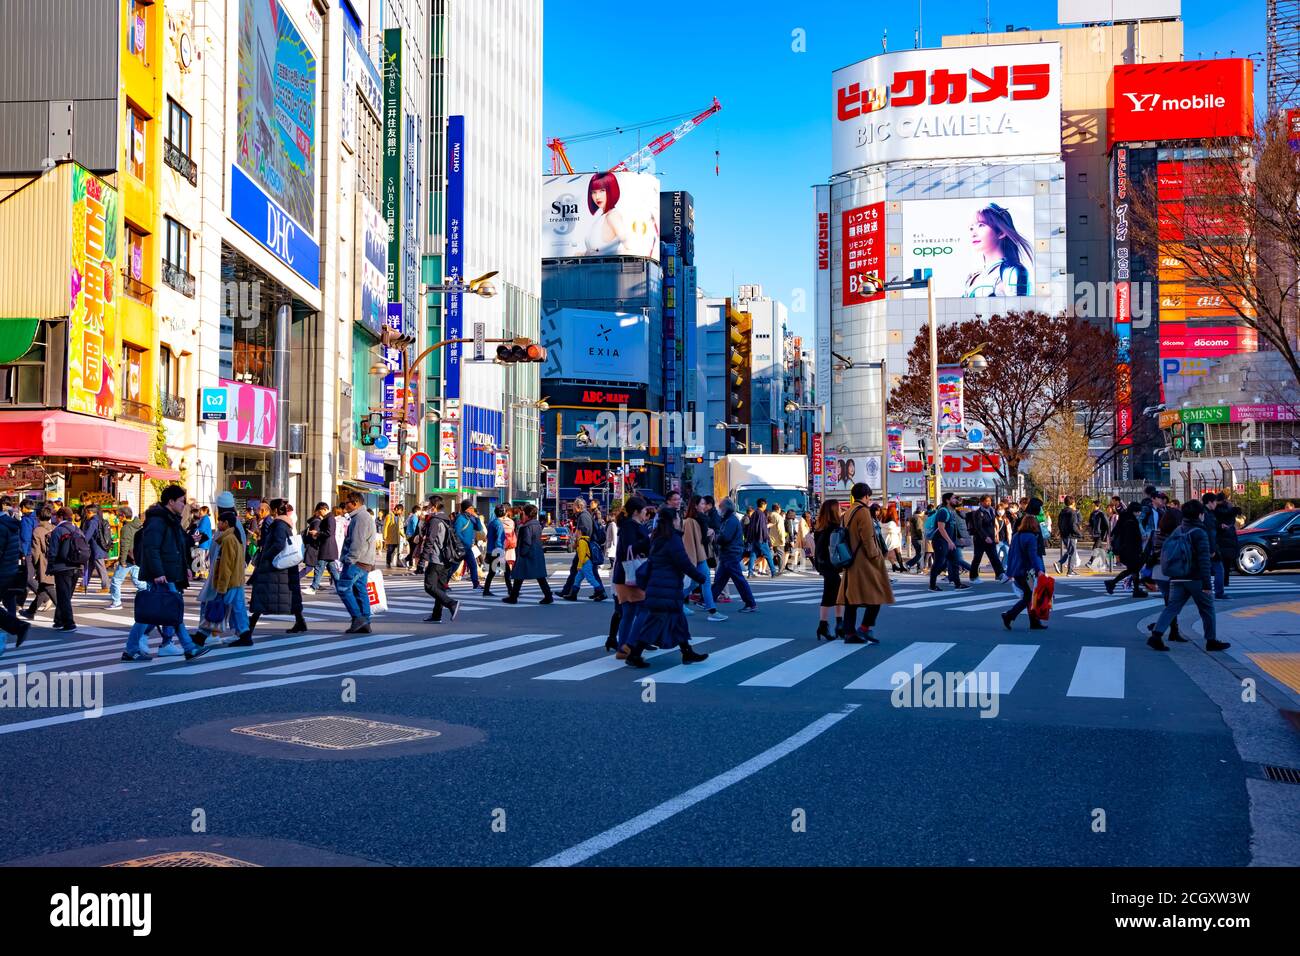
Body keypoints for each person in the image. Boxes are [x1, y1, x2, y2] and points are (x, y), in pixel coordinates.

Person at [121, 485, 211, 661]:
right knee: (167, 609)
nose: (184, 505)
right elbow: (151, 548)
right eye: (181, 501)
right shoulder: (158, 520)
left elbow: (176, 546)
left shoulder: (170, 519)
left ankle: (131, 649)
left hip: (169, 570)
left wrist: (185, 567)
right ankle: (188, 647)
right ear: (171, 501)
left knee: (155, 611)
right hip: (162, 573)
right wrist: (157, 572)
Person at [621, 505, 710, 669]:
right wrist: (700, 577)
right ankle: (634, 654)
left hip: (660, 587)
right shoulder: (672, 539)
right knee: (655, 623)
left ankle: (687, 652)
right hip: (665, 589)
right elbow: (683, 562)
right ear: (673, 521)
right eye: (678, 518)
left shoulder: (658, 537)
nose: (680, 521)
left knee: (678, 621)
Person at [1147, 499, 1231, 653]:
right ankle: (1211, 641)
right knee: (1207, 609)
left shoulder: (1178, 530)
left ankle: (1156, 636)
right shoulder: (1200, 532)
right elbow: (1204, 560)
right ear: (1200, 515)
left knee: (1172, 607)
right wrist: (1207, 583)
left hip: (1177, 576)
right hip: (1195, 578)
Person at [837, 483, 893, 644]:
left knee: (851, 599)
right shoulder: (863, 512)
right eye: (870, 497)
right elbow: (868, 538)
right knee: (877, 593)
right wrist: (876, 557)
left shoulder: (848, 512)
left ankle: (849, 633)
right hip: (864, 561)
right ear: (867, 496)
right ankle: (864, 627)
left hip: (851, 560)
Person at [247, 499, 307, 640]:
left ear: (274, 510)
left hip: (276, 567)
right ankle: (300, 621)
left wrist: (267, 556)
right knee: (288, 595)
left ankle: (250, 626)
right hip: (285, 568)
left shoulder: (278, 524)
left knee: (262, 595)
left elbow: (279, 544)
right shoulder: (285, 523)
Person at [194, 511, 251, 646]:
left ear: (226, 523)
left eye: (220, 522)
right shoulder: (234, 537)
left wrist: (221, 586)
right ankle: (245, 635)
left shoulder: (228, 540)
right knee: (237, 608)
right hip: (236, 580)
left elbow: (226, 565)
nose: (218, 524)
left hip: (230, 582)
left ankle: (202, 636)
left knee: (217, 607)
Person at [608, 498, 652, 653]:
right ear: (636, 512)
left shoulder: (627, 526)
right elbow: (629, 550)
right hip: (632, 574)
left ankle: (623, 648)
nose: (647, 513)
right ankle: (630, 644)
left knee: (628, 612)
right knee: (645, 609)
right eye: (644, 510)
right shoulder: (631, 527)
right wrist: (648, 541)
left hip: (622, 575)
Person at [962, 203, 1033, 297]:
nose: (973, 234)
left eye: (981, 225)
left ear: (1001, 232)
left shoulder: (1012, 272)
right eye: (971, 228)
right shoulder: (972, 277)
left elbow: (1018, 310)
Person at [1144, 508, 1188, 645]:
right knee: (1174, 604)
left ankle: (1172, 631)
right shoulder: (1177, 535)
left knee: (1170, 602)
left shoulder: (1156, 533)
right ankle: (1159, 628)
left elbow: (1148, 551)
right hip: (1170, 571)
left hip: (1157, 572)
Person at [336, 492, 377, 633]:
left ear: (355, 503)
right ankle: (365, 621)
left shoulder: (360, 518)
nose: (345, 505)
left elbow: (357, 543)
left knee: (343, 588)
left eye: (347, 502)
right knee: (360, 590)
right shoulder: (364, 517)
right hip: (365, 561)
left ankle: (358, 617)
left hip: (357, 561)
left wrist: (349, 560)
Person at [1000, 513, 1048, 631]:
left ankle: (1034, 621)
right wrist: (1039, 570)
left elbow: (1011, 554)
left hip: (1017, 570)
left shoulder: (1016, 535)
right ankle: (1009, 615)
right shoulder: (1031, 537)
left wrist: (1009, 571)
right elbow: (1033, 555)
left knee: (1029, 595)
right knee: (1029, 596)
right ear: (1034, 525)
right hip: (1027, 571)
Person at [683, 495, 726, 623]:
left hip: (699, 556)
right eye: (702, 504)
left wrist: (710, 532)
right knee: (699, 582)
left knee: (697, 583)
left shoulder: (699, 520)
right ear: (695, 505)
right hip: (696, 556)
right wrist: (709, 533)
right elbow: (692, 542)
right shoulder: (691, 521)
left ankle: (678, 602)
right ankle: (712, 611)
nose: (704, 506)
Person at [711, 498, 758, 613]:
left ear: (725, 508)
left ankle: (750, 603)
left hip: (731, 553)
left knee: (738, 579)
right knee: (720, 579)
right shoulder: (729, 519)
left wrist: (715, 537)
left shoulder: (731, 520)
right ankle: (708, 600)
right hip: (729, 553)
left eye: (720, 507)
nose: (719, 509)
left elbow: (726, 537)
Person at [419, 496, 461, 622]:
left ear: (434, 506)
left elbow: (429, 541)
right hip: (447, 559)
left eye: (429, 506)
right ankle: (437, 615)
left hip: (436, 559)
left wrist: (422, 560)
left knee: (429, 586)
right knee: (440, 588)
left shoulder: (435, 520)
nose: (428, 509)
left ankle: (451, 603)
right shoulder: (447, 519)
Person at [45, 507, 86, 633]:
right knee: (66, 596)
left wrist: (50, 566)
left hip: (62, 567)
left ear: (60, 517)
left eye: (56, 516)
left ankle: (69, 624)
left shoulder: (58, 530)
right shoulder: (77, 529)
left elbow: (53, 551)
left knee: (63, 596)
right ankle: (58, 620)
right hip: (76, 566)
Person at [504, 504, 553, 604]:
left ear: (526, 514)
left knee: (519, 575)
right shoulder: (537, 525)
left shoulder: (526, 527)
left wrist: (521, 553)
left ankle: (513, 597)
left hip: (526, 555)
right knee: (540, 576)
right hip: (537, 552)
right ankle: (548, 595)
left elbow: (526, 542)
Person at [0, 498, 32, 651]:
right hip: (10, 570)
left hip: (2, 571)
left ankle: (19, 626)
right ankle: (18, 626)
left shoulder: (1, 527)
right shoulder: (9, 524)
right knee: (8, 600)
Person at [812, 499, 844, 641]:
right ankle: (835, 624)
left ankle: (827, 625)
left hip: (823, 564)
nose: (840, 510)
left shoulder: (820, 527)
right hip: (832, 564)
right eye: (839, 508)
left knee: (833, 593)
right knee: (835, 594)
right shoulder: (835, 527)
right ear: (833, 511)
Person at [1105, 502, 1148, 599]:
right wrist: (1139, 549)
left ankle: (1134, 590)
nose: (1140, 514)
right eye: (1139, 511)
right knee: (1134, 569)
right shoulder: (1131, 521)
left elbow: (1115, 531)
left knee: (1134, 570)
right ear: (1135, 511)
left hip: (1124, 549)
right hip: (1131, 550)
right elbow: (1133, 538)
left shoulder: (1123, 518)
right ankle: (1112, 583)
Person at [21, 505, 56, 621]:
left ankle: (64, 611)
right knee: (42, 587)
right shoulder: (54, 528)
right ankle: (31, 611)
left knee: (48, 586)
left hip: (43, 561)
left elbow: (36, 551)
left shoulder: (38, 530)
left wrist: (35, 565)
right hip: (54, 560)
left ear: (38, 517)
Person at [928, 493, 968, 592]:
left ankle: (958, 584)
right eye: (954, 498)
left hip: (950, 541)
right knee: (939, 563)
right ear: (947, 500)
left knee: (954, 562)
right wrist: (949, 541)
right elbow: (941, 528)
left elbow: (953, 527)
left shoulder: (952, 511)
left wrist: (958, 538)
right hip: (940, 541)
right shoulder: (943, 511)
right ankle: (932, 586)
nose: (956, 500)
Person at [106, 505, 142, 609]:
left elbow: (125, 545)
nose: (118, 518)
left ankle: (116, 602)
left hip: (128, 558)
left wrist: (122, 560)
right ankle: (149, 594)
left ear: (123, 516)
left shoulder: (126, 528)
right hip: (137, 557)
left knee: (116, 580)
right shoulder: (138, 525)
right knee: (137, 580)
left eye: (119, 516)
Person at [968, 494, 1004, 581]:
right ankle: (973, 576)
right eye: (986, 501)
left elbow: (993, 525)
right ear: (981, 502)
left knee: (994, 557)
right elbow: (978, 527)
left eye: (990, 501)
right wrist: (985, 537)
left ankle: (1000, 574)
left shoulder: (992, 511)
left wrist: (995, 535)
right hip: (980, 540)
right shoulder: (978, 513)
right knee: (977, 558)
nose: (988, 503)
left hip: (991, 539)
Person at [1213, 493, 1241, 597]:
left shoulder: (1216, 510)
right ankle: (1226, 581)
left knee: (1219, 564)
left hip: (1220, 538)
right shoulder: (1231, 509)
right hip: (1230, 537)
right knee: (1226, 563)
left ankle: (1221, 585)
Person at [80, 504, 112, 593]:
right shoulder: (98, 519)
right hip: (97, 548)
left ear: (90, 512)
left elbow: (88, 535)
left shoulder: (93, 521)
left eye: (86, 513)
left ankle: (106, 586)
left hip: (96, 548)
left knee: (101, 568)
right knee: (89, 567)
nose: (86, 515)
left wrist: (82, 542)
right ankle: (83, 584)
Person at [452, 500, 484, 589]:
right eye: (470, 508)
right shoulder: (460, 518)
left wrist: (477, 517)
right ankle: (444, 583)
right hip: (461, 548)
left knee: (473, 565)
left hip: (468, 548)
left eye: (472, 508)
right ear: (465, 509)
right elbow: (457, 533)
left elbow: (479, 528)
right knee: (454, 566)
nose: (472, 510)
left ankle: (476, 584)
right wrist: (464, 543)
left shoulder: (471, 518)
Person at [482, 505, 511, 597]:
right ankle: (510, 590)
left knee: (492, 571)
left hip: (491, 550)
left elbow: (488, 537)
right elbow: (499, 539)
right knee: (507, 571)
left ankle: (486, 590)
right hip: (497, 551)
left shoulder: (492, 523)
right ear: (503, 513)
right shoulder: (498, 524)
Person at [744, 498, 777, 578]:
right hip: (761, 538)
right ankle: (773, 571)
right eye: (765, 504)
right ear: (763, 504)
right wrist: (767, 539)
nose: (766, 506)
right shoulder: (761, 514)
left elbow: (751, 527)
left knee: (753, 554)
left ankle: (750, 572)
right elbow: (763, 528)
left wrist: (750, 538)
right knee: (768, 554)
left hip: (754, 538)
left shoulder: (754, 513)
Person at [1055, 496, 1081, 576]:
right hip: (1070, 534)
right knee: (1072, 552)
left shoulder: (1062, 512)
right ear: (1073, 503)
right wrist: (1079, 534)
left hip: (1064, 534)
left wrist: (1061, 532)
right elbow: (1073, 525)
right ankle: (1068, 569)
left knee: (1070, 551)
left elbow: (1059, 523)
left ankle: (1065, 567)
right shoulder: (1072, 512)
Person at [879, 503, 904, 575]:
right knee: (895, 553)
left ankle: (896, 566)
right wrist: (898, 529)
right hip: (891, 539)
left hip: (887, 538)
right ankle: (899, 566)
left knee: (888, 553)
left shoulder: (883, 519)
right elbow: (894, 529)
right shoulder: (891, 521)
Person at [1086, 500, 1109, 569]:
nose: (1091, 506)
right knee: (1100, 548)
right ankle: (1105, 563)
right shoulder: (1092, 514)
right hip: (1095, 533)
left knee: (1095, 548)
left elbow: (1107, 524)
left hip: (1100, 534)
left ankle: (1091, 562)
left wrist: (1108, 533)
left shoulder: (1101, 513)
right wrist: (1088, 525)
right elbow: (1091, 523)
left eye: (1092, 505)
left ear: (1096, 505)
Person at [383, 504, 405, 569]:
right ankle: (388, 563)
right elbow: (385, 527)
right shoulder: (389, 516)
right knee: (390, 551)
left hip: (397, 538)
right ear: (396, 509)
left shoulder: (398, 517)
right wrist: (385, 536)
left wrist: (403, 535)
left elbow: (399, 528)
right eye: (401, 510)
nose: (401, 512)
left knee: (396, 551)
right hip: (390, 537)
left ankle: (397, 562)